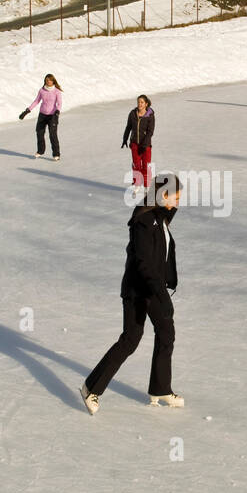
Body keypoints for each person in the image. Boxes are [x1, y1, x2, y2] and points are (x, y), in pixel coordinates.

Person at [80, 176, 184, 415]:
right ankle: (91, 388)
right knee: (131, 339)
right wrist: (161, 294)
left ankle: (161, 388)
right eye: (175, 196)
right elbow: (143, 263)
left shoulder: (158, 216)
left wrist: (170, 203)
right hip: (139, 290)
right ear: (163, 196)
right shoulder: (144, 221)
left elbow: (166, 221)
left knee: (166, 332)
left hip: (152, 288)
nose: (179, 201)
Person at [19, 73, 63, 161]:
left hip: (52, 116)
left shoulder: (56, 91)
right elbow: (36, 101)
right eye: (47, 80)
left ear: (53, 81)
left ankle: (56, 154)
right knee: (39, 133)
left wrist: (57, 112)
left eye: (50, 80)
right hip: (42, 115)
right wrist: (27, 111)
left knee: (52, 135)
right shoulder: (42, 90)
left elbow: (59, 103)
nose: (48, 81)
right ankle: (40, 151)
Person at [122, 95, 155, 193]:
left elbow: (150, 132)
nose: (139, 104)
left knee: (146, 165)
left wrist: (145, 144)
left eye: (141, 102)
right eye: (138, 102)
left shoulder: (150, 115)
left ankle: (146, 186)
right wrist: (125, 139)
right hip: (135, 144)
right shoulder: (132, 114)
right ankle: (137, 185)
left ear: (146, 104)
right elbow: (128, 127)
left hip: (146, 145)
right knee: (136, 165)